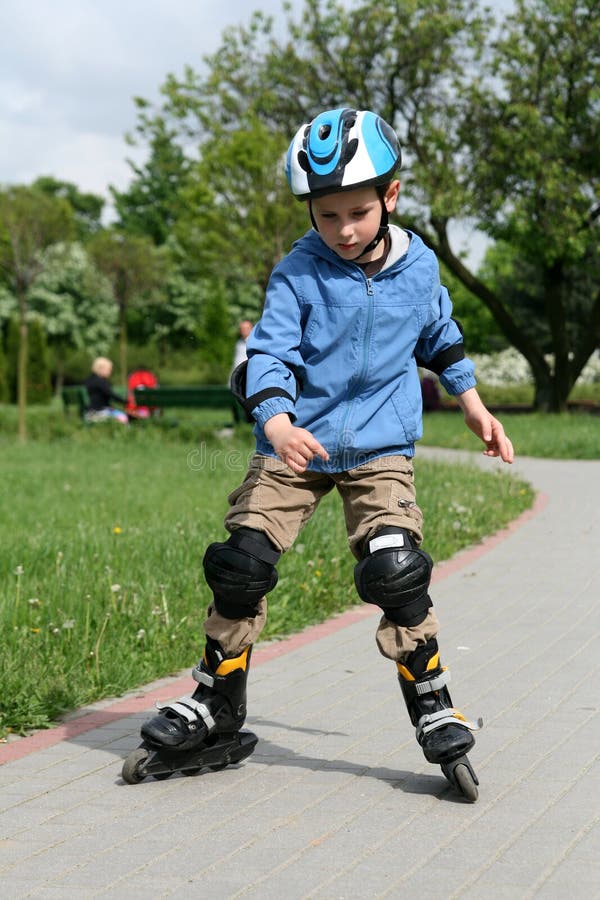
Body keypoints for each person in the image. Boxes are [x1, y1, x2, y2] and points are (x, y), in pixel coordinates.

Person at [133, 108, 513, 798]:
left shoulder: (420, 264)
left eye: (358, 212)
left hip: (379, 448)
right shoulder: (297, 273)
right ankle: (219, 698)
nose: (342, 230)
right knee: (242, 564)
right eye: (327, 214)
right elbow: (269, 354)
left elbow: (440, 334)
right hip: (295, 442)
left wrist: (473, 403)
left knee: (397, 569)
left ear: (390, 198)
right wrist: (275, 422)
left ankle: (432, 701)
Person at [84, 357, 128, 424]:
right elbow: (111, 394)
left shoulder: (89, 380)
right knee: (124, 417)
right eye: (109, 369)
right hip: (98, 413)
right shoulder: (100, 382)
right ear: (101, 369)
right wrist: (126, 402)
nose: (110, 371)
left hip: (89, 413)